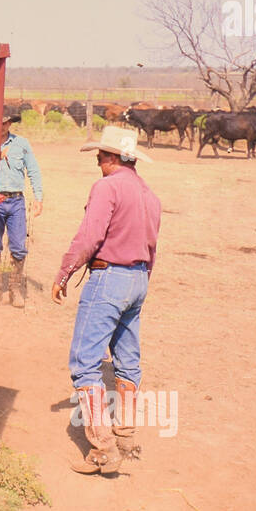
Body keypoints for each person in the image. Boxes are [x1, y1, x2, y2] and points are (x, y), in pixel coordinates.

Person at [51, 125, 161, 475]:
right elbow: (152, 246)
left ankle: (103, 449)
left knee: (85, 363)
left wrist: (65, 272)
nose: (97, 159)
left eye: (101, 155)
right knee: (127, 361)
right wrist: (140, 283)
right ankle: (125, 435)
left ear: (113, 157)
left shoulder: (107, 187)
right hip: (138, 278)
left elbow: (89, 236)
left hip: (109, 277)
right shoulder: (149, 194)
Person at [0, 111, 43, 308]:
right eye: (1, 122)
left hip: (15, 201)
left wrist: (38, 197)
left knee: (18, 246)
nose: (4, 126)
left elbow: (33, 170)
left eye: (7, 122)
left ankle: (15, 288)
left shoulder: (21, 144)